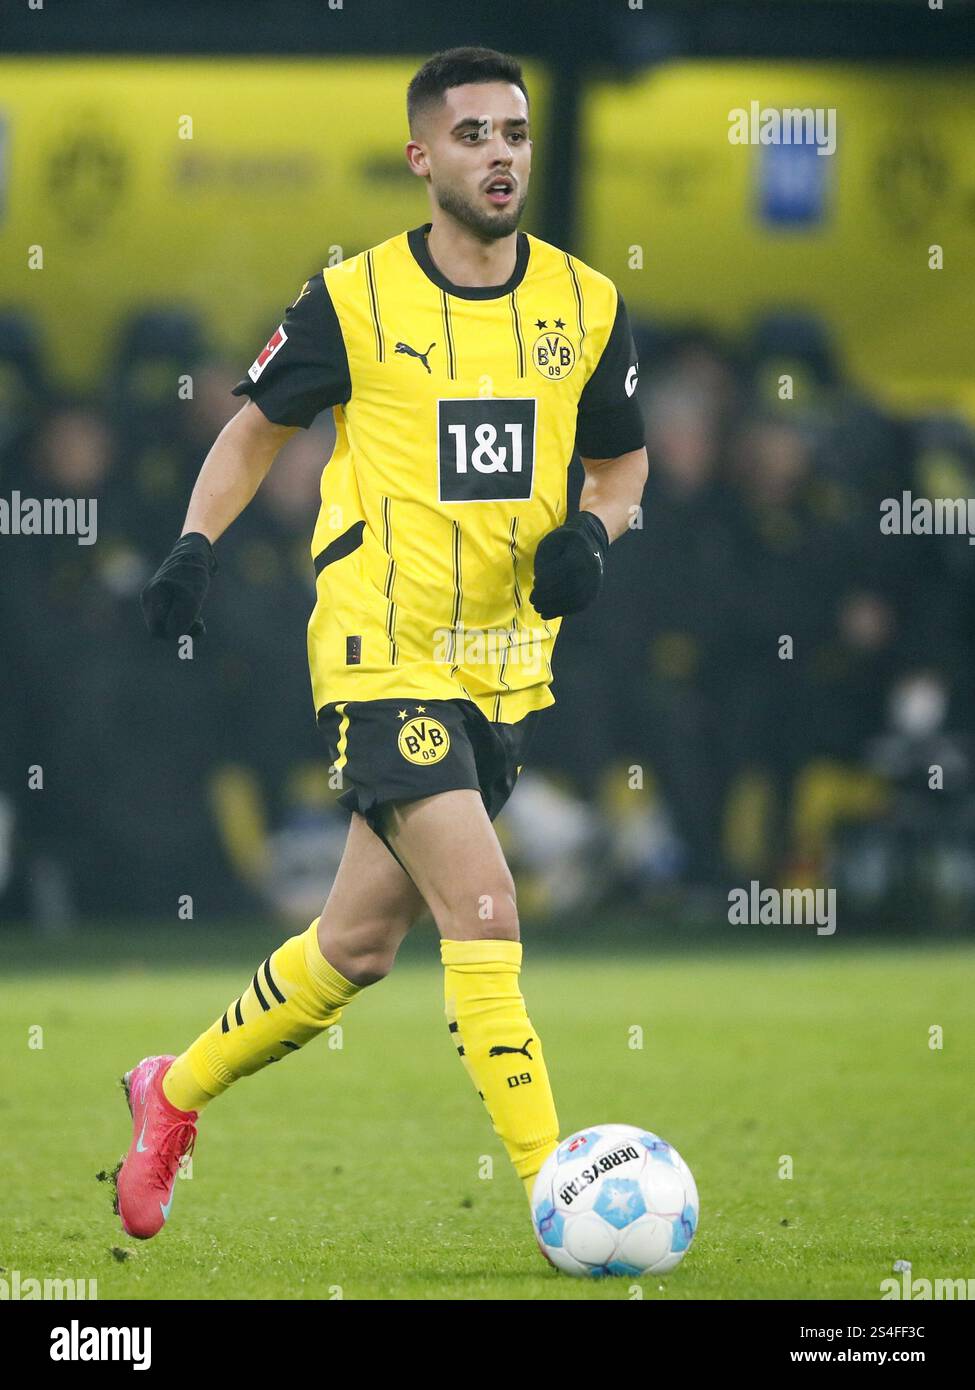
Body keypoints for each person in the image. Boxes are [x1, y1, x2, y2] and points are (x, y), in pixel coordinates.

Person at [114, 46, 647, 1242]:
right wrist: (194, 542)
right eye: (471, 135)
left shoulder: (586, 302)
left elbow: (622, 459)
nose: (499, 153)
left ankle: (173, 1088)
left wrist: (596, 533)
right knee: (488, 907)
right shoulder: (350, 299)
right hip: (381, 649)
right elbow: (256, 431)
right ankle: (561, 1195)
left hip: (505, 665)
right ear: (422, 158)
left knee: (354, 945)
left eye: (512, 132)